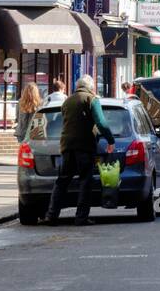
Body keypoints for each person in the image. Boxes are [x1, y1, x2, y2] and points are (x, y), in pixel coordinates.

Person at [44, 75, 115, 226]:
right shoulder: (91, 99)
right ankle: (81, 217)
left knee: (62, 181)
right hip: (84, 146)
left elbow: (66, 121)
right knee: (85, 181)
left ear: (78, 86)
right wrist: (110, 140)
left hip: (67, 145)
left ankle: (51, 216)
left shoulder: (67, 101)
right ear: (90, 87)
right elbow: (101, 122)